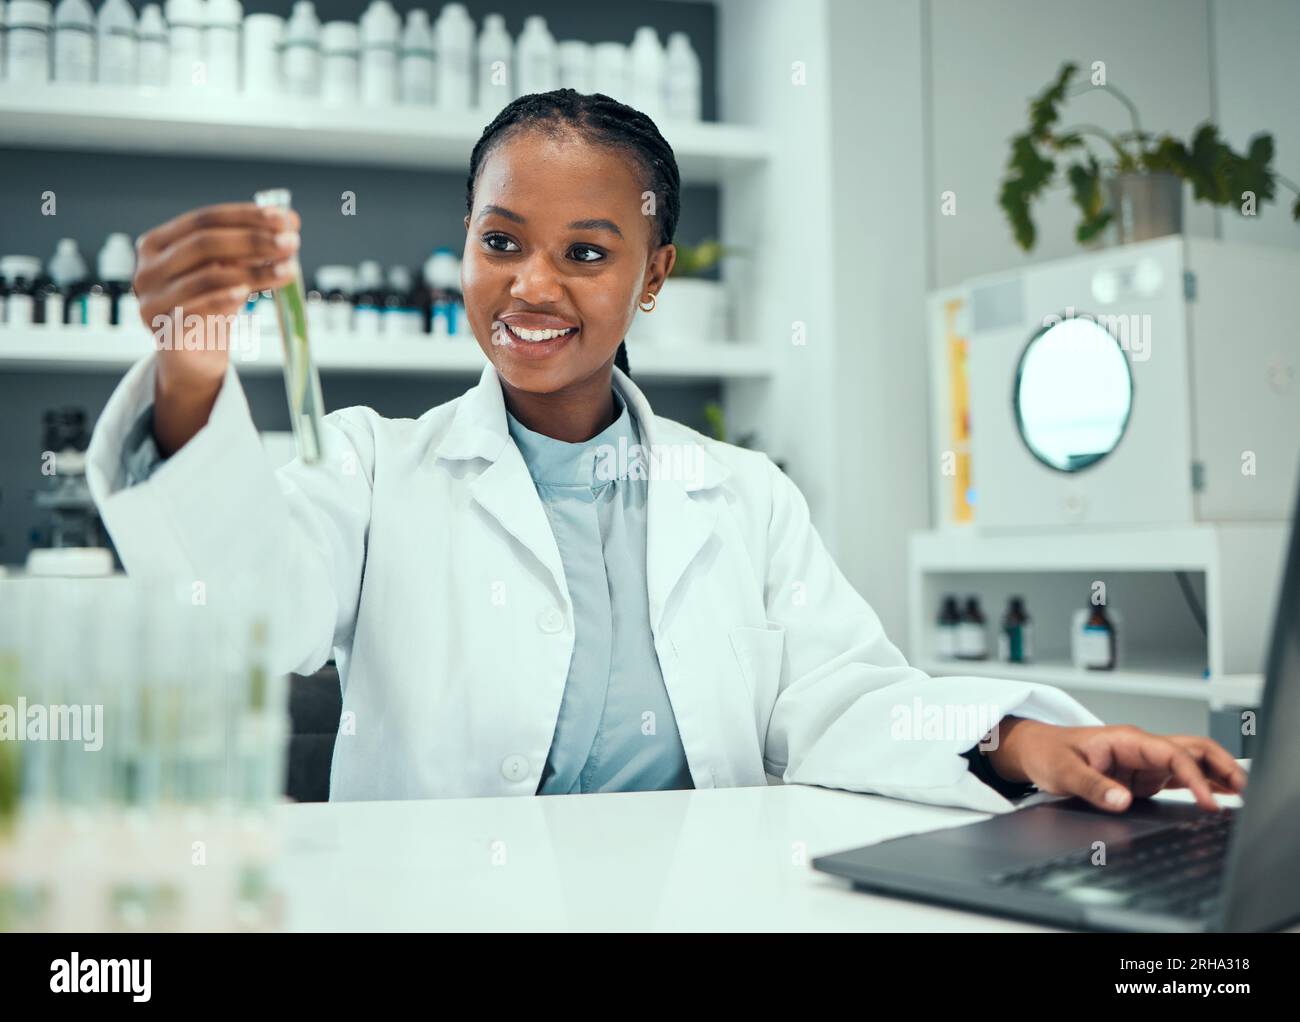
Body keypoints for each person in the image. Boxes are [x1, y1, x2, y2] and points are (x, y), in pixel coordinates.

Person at [86, 90, 1245, 810]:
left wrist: (1027, 739)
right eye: (502, 241)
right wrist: (192, 368)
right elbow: (241, 614)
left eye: (587, 252)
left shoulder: (740, 494)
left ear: (653, 275)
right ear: (467, 249)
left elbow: (839, 697)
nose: (532, 286)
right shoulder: (377, 463)